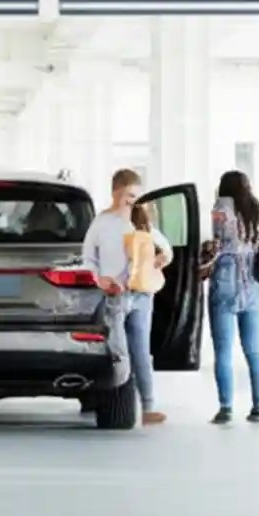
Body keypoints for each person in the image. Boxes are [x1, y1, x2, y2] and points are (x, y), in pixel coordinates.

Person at [81, 169, 172, 426]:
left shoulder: (141, 222)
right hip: (115, 295)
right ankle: (118, 403)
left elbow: (166, 249)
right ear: (115, 193)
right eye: (128, 195)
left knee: (142, 351)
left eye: (136, 196)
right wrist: (99, 279)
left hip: (142, 295)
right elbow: (88, 258)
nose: (132, 201)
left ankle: (149, 407)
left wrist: (160, 259)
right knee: (119, 353)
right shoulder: (102, 223)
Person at [207, 170, 259, 425]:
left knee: (223, 350)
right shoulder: (257, 209)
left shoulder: (222, 207)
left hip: (226, 280)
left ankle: (226, 407)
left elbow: (219, 241)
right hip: (254, 284)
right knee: (254, 351)